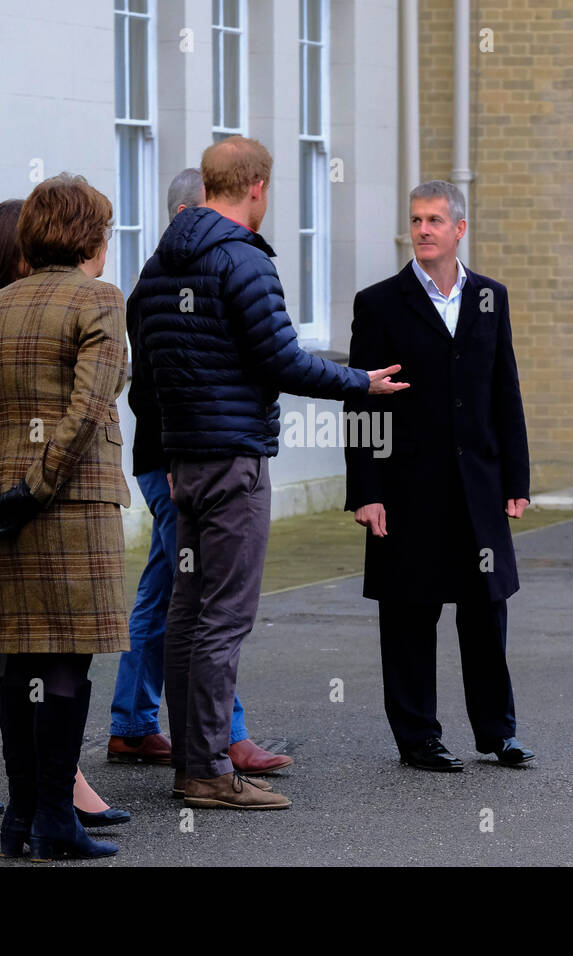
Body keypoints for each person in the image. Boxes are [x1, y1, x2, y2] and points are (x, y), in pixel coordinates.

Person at [129, 137, 406, 809]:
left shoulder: (159, 266)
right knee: (223, 618)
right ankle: (209, 773)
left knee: (189, 613)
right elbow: (282, 360)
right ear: (255, 187)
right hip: (232, 465)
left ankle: (194, 763)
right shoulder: (241, 262)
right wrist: (360, 383)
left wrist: (167, 455)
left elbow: (152, 373)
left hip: (184, 467)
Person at [0, 199, 128, 830]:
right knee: (67, 660)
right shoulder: (98, 299)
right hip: (69, 506)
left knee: (19, 660)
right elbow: (89, 410)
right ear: (88, 237)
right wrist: (35, 490)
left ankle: (22, 821)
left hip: (6, 510)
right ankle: (56, 823)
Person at [343, 180, 535, 772]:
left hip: (477, 483)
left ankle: (497, 732)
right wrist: (366, 492)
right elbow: (362, 406)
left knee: (485, 609)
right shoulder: (378, 303)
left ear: (459, 229)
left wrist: (516, 478)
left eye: (433, 220)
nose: (422, 229)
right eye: (415, 220)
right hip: (407, 488)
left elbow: (505, 389)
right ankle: (418, 737)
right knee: (408, 611)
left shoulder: (489, 299)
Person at [107, 168, 291, 776]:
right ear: (195, 211)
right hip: (181, 461)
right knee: (208, 601)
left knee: (171, 589)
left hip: (171, 459)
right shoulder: (199, 271)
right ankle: (219, 738)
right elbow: (162, 389)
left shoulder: (153, 279)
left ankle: (136, 722)